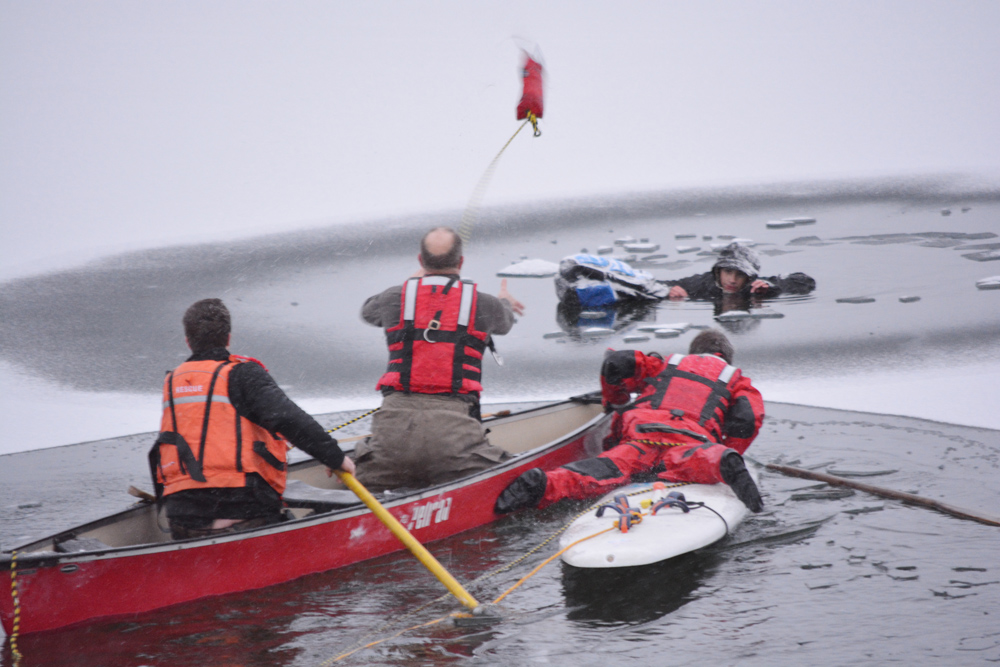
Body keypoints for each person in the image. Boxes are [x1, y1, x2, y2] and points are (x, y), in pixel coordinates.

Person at [495, 329, 765, 514]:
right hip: (688, 441)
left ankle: (546, 484)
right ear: (727, 359)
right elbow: (748, 419)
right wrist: (729, 447)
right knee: (701, 459)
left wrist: (614, 401)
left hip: (641, 432)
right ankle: (722, 461)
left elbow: (617, 362)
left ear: (693, 351)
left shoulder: (667, 364)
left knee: (608, 468)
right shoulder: (737, 381)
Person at [150, 298, 354, 540]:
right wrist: (336, 458)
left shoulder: (172, 382)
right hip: (241, 517)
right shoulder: (242, 374)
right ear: (228, 338)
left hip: (181, 522)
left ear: (188, 341)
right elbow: (289, 420)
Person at [356, 226, 526, 491]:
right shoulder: (486, 305)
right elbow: (505, 323)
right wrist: (503, 300)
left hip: (393, 436)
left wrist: (410, 283)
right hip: (455, 437)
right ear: (461, 262)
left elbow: (368, 312)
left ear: (420, 261)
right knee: (510, 485)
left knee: (366, 484)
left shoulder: (394, 297)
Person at [665, 241, 815, 301]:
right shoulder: (702, 283)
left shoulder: (757, 287)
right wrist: (668, 290)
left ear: (749, 278)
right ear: (718, 272)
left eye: (740, 274)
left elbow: (805, 281)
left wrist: (771, 288)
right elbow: (651, 284)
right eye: (728, 272)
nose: (732, 280)